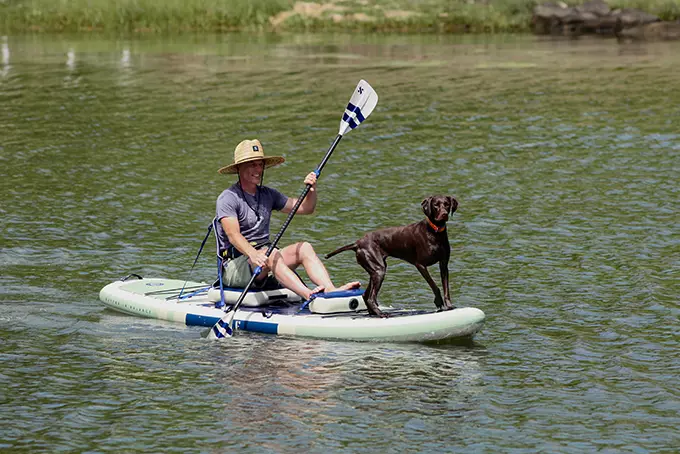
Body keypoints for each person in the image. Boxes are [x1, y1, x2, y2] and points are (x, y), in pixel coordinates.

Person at [215, 139, 360, 300]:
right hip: (236, 266)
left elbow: (305, 208)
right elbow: (233, 235)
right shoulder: (227, 198)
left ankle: (330, 290)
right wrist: (254, 254)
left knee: (304, 247)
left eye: (260, 164)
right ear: (238, 168)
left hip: (265, 258)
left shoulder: (268, 194)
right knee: (271, 254)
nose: (258, 169)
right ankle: (307, 295)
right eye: (252, 165)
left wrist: (311, 189)